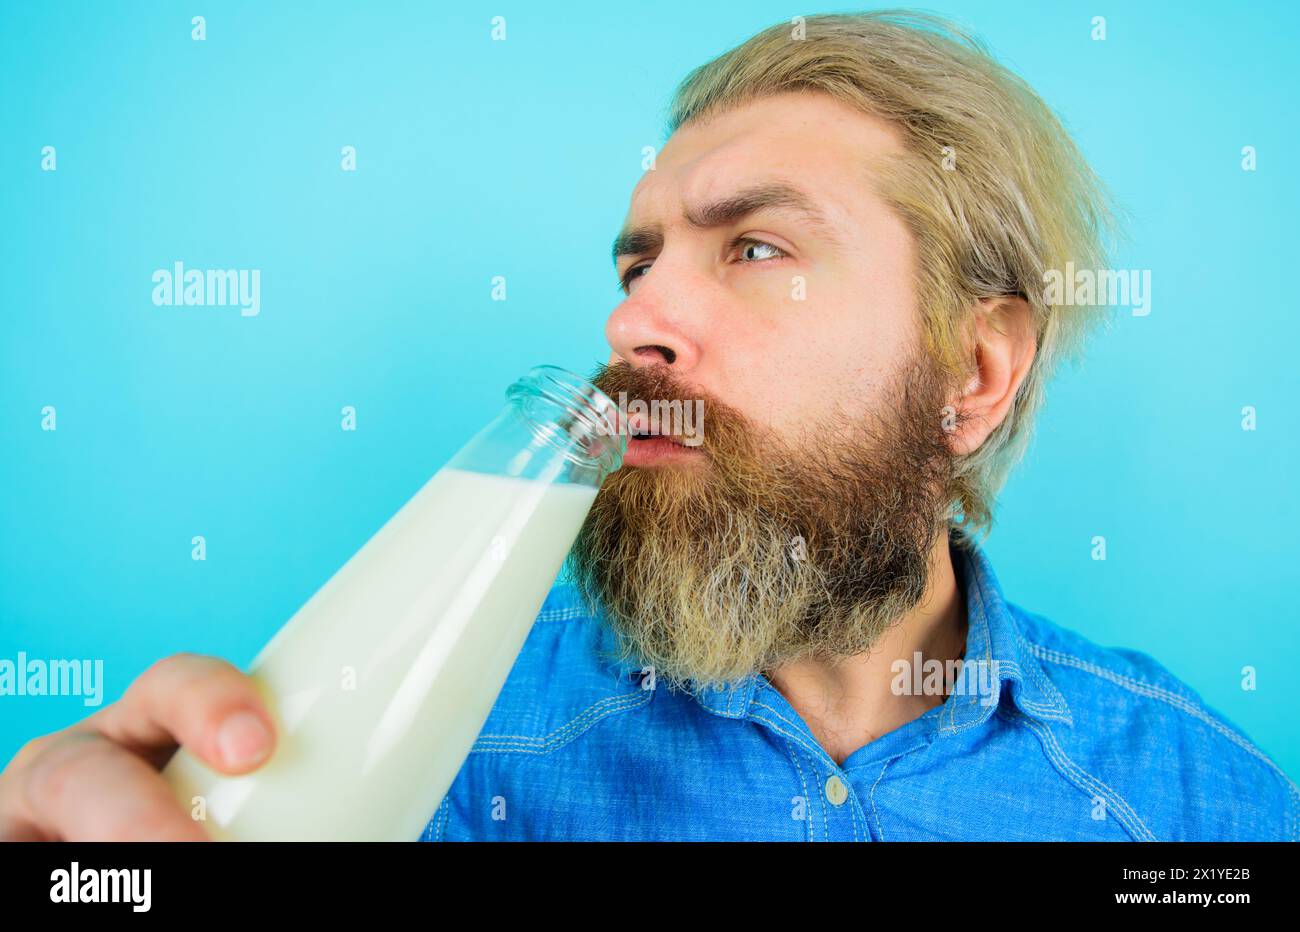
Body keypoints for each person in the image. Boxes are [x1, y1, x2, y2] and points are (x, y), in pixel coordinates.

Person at [2, 11, 1293, 842]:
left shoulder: (1195, 807)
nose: (636, 326)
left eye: (757, 246)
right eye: (636, 267)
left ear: (976, 371)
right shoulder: (444, 754)